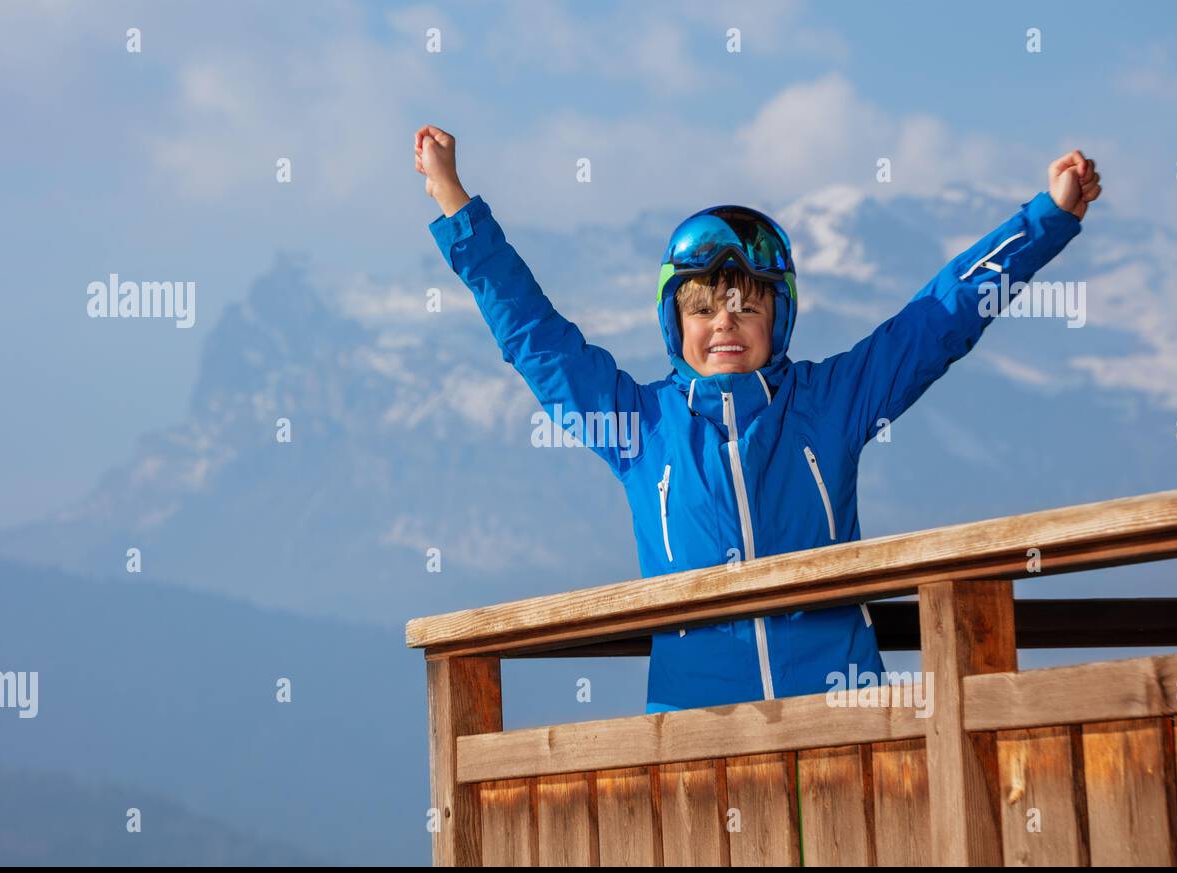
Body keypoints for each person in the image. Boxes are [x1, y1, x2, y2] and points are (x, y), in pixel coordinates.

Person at [415, 123, 1101, 714]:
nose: (725, 325)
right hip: (697, 735)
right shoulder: (639, 427)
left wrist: (1048, 217)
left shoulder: (830, 403)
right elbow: (535, 337)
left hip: (846, 719)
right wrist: (454, 201)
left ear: (780, 317)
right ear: (673, 321)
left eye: (748, 306)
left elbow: (939, 320)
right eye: (703, 308)